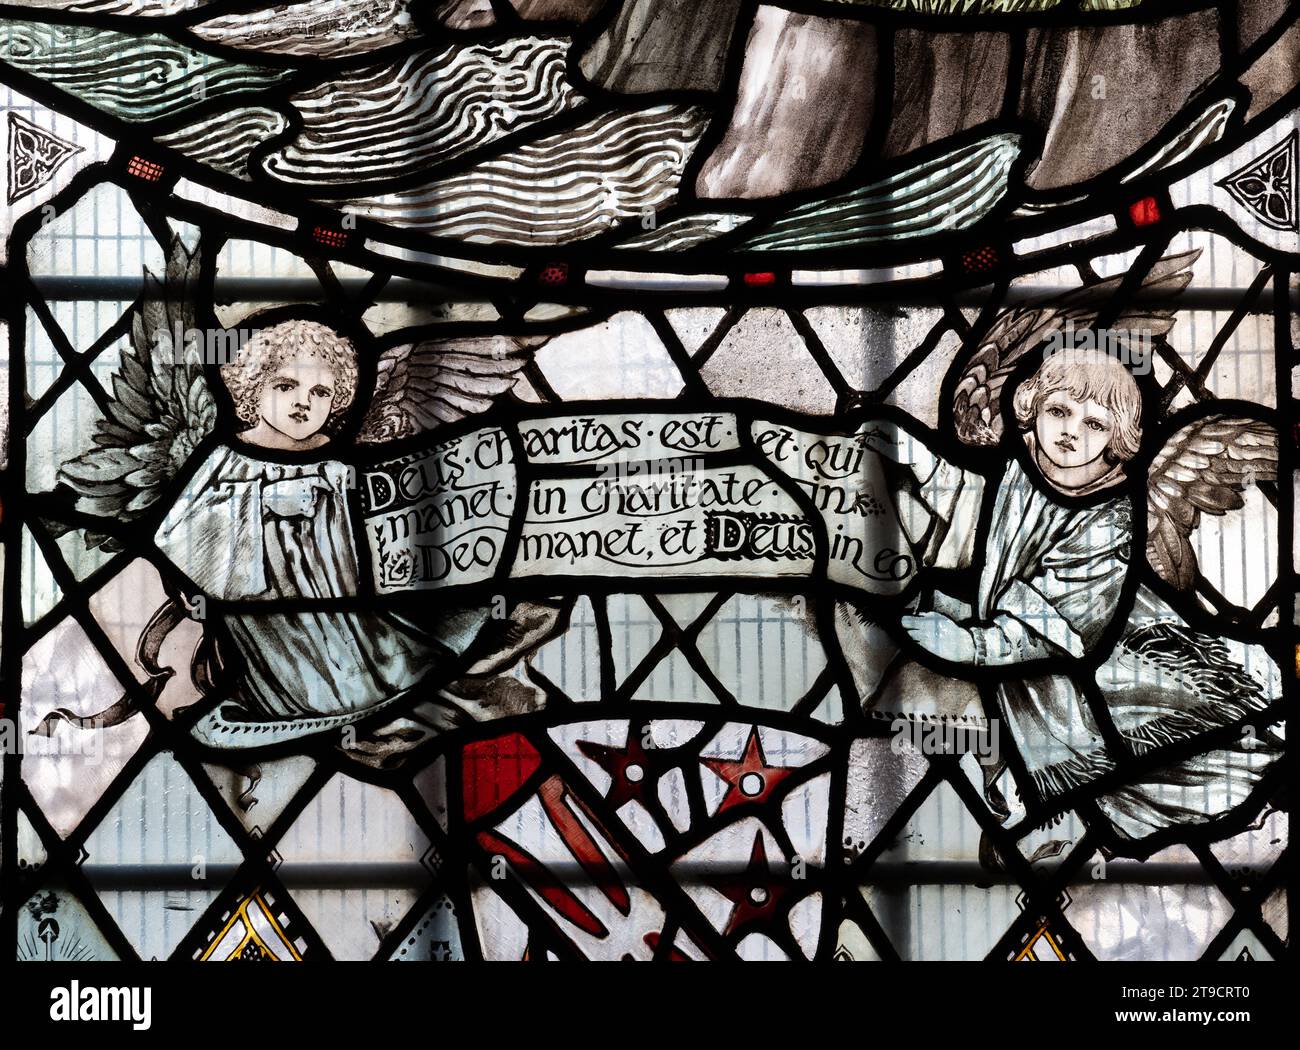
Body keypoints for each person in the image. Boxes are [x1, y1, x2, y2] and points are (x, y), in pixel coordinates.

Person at [856, 349, 1280, 841]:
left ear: (1115, 439)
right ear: (1033, 408)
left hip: (1096, 664)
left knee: (1145, 766)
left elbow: (1056, 616)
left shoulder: (1112, 516)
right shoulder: (1022, 469)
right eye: (1059, 411)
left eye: (1095, 424)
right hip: (1015, 645)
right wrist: (918, 458)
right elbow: (974, 507)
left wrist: (966, 646)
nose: (1071, 431)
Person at [154, 319, 450, 747]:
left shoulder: (338, 460)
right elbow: (175, 539)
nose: (303, 403)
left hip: (343, 608)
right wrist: (261, 504)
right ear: (255, 387)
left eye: (320, 392)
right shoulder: (226, 459)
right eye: (286, 386)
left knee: (397, 662)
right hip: (271, 625)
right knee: (303, 680)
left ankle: (367, 693)